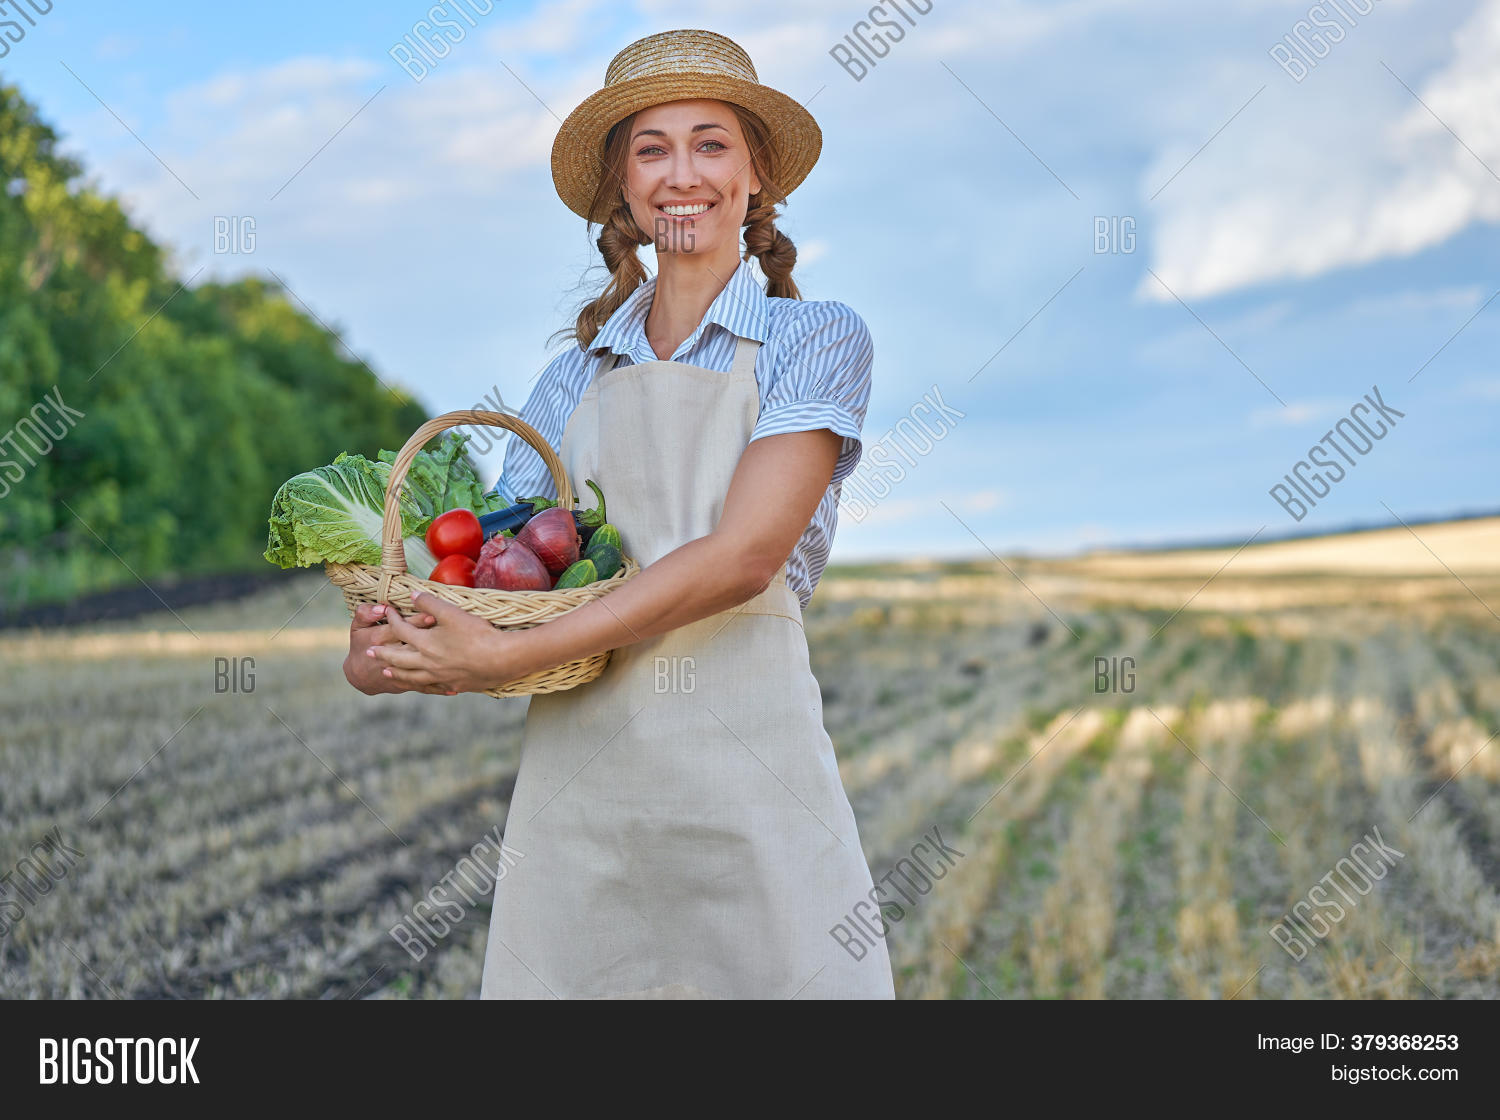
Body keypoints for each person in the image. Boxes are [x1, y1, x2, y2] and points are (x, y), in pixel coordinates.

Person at [345, 28, 895, 999]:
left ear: (757, 173)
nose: (683, 175)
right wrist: (397, 645)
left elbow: (743, 557)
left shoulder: (814, 337)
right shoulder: (570, 378)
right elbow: (510, 578)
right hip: (582, 805)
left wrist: (505, 657)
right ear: (622, 187)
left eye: (712, 142)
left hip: (751, 786)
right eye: (652, 148)